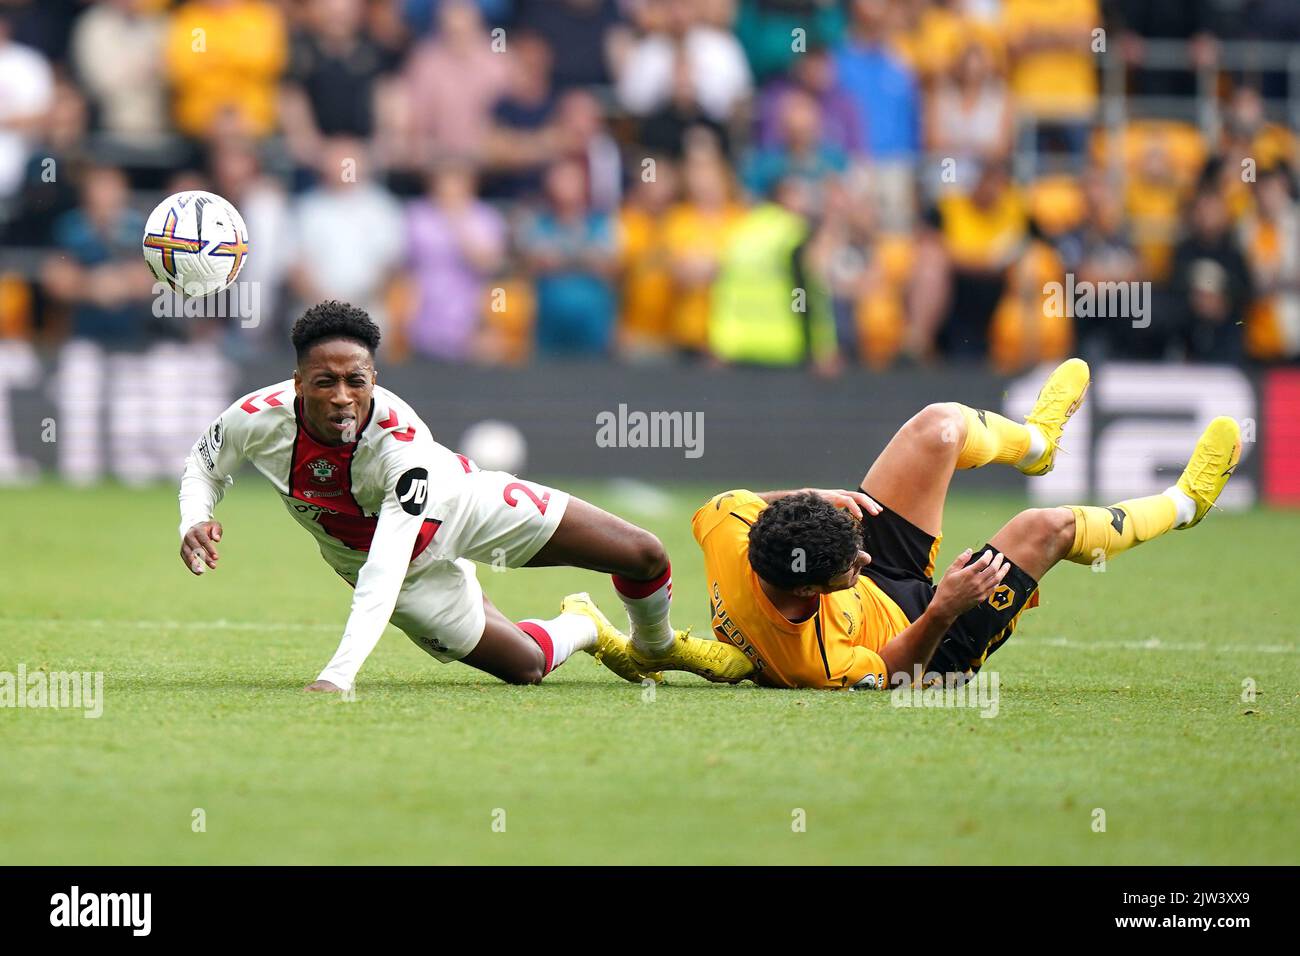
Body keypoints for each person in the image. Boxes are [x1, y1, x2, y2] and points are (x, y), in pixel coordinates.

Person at [177, 301, 746, 693]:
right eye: (325, 382)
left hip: (462, 506)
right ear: (298, 384)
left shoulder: (404, 447)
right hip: (400, 575)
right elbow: (204, 465)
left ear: (374, 376)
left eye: (358, 380)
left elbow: (387, 559)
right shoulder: (256, 418)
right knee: (526, 667)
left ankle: (656, 646)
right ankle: (587, 626)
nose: (344, 397)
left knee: (642, 551)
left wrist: (338, 674)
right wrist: (194, 518)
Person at [690, 359, 1241, 689]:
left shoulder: (730, 523)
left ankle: (1038, 444)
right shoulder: (817, 661)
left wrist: (812, 496)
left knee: (940, 426)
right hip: (927, 641)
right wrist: (943, 607)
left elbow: (731, 502)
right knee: (1044, 527)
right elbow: (897, 675)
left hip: (871, 596)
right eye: (852, 564)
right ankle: (1186, 503)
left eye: (856, 545)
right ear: (810, 589)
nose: (865, 557)